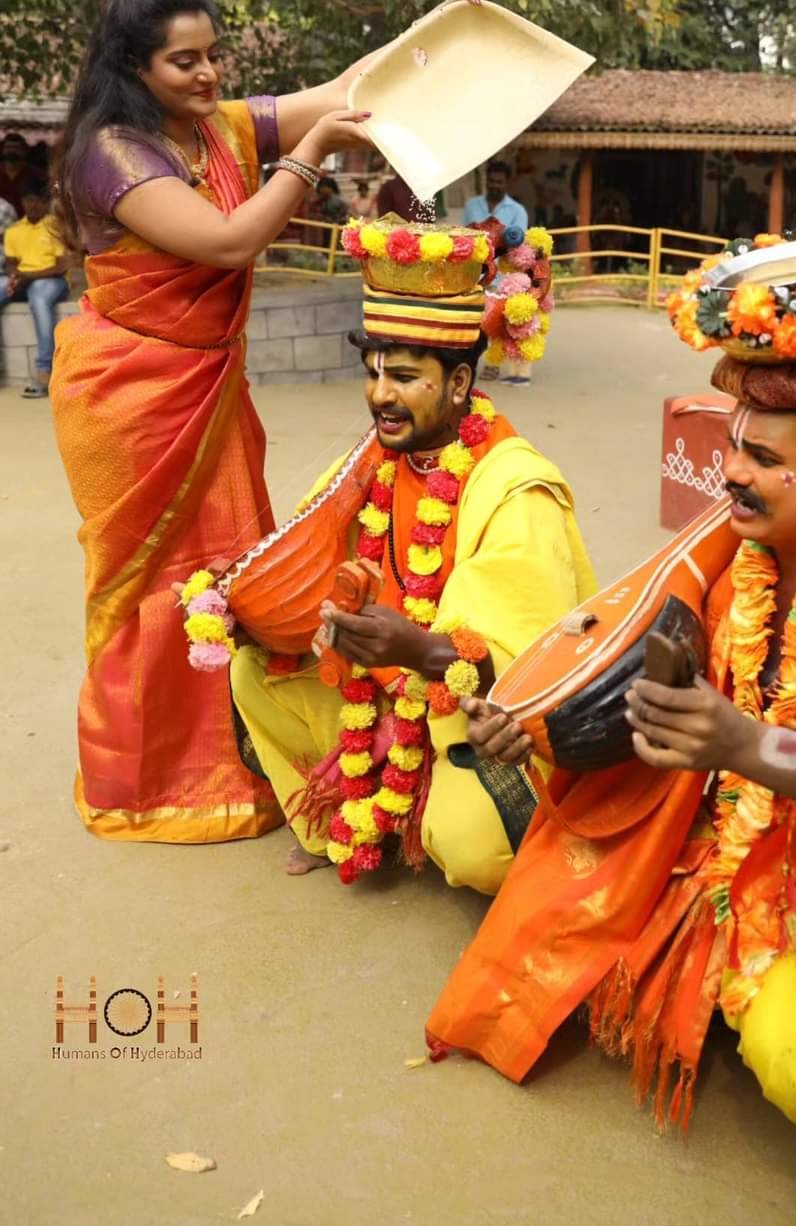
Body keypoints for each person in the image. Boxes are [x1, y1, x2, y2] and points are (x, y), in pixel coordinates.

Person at [428, 222, 796, 1226]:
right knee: (530, 879)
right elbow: (629, 678)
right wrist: (543, 727)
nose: (728, 475)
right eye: (731, 446)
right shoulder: (725, 551)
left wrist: (743, 746)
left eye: (763, 460)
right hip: (698, 826)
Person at [48, 0, 479, 843]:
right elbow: (228, 241)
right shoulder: (115, 152)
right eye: (183, 62)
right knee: (154, 588)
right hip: (133, 398)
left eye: (213, 56)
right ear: (135, 68)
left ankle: (245, 766)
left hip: (207, 384)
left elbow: (351, 90)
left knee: (232, 564)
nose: (207, 77)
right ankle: (148, 784)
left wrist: (437, 31)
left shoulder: (221, 130)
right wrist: (309, 154)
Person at [221, 214, 595, 884]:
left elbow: (534, 674)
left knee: (477, 848)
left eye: (401, 376)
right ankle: (346, 816)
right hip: (375, 695)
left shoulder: (515, 486)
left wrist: (418, 651)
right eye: (371, 373)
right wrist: (247, 608)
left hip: (471, 722)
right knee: (251, 672)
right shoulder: (370, 463)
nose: (378, 396)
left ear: (457, 384)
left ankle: (424, 815)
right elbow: (309, 566)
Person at [1, 178, 72, 398]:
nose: (34, 205)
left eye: (39, 201)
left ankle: (44, 371)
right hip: (23, 280)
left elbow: (61, 266)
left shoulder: (55, 226)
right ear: (22, 201)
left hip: (52, 280)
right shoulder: (14, 230)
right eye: (29, 200)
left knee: (39, 300)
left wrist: (27, 276)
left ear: (46, 202)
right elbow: (11, 262)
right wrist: (15, 276)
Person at [466, 162, 533, 386]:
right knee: (477, 322)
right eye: (491, 181)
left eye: (499, 181)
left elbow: (518, 246)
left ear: (507, 183)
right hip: (477, 274)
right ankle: (478, 365)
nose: (495, 185)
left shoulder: (517, 211)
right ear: (486, 181)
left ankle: (502, 369)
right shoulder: (472, 205)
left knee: (503, 325)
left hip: (505, 278)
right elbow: (466, 236)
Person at [0, 132, 33, 215]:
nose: (12, 151)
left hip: (28, 225)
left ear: (24, 151)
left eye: (16, 147)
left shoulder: (36, 175)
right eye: (8, 147)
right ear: (3, 150)